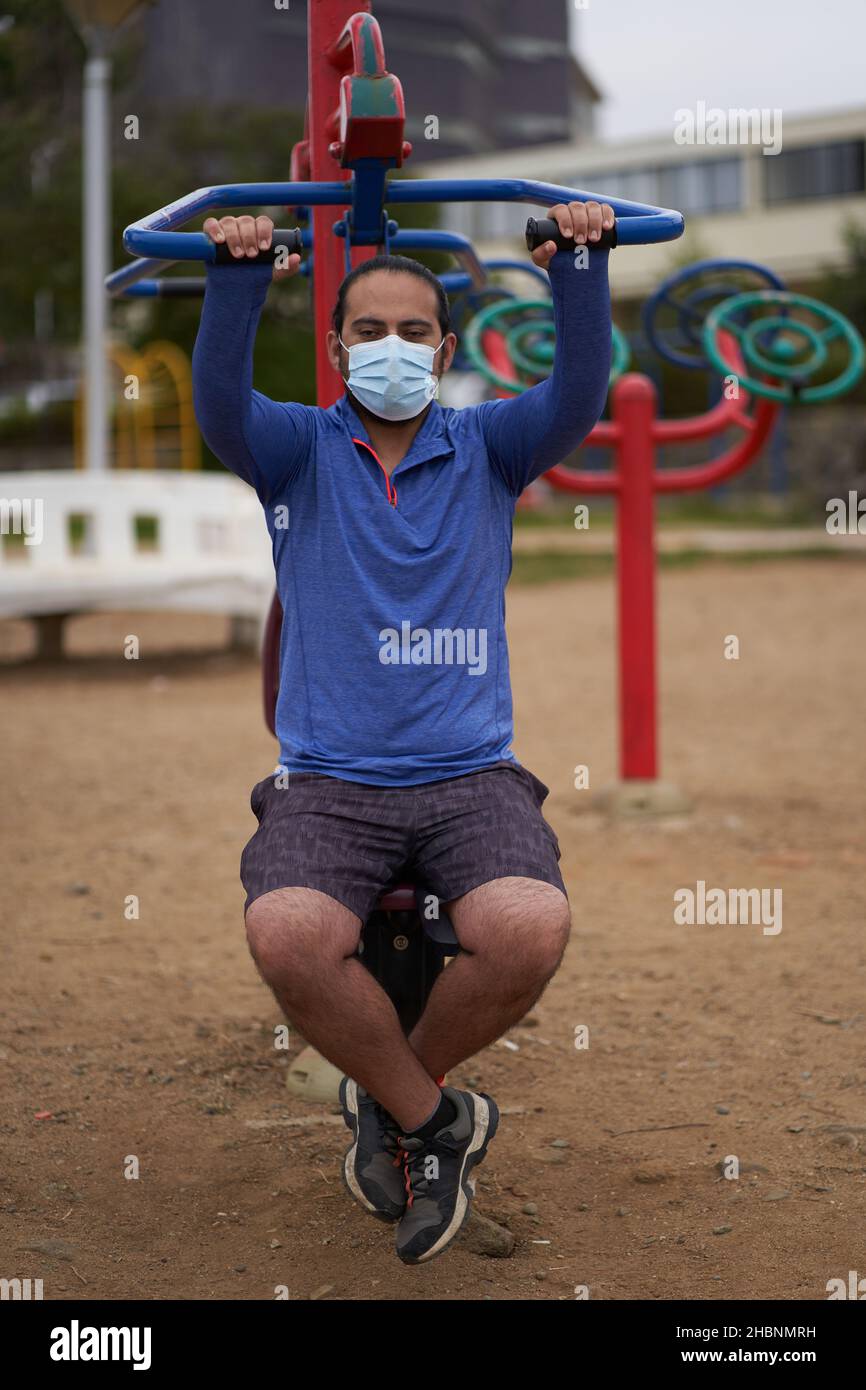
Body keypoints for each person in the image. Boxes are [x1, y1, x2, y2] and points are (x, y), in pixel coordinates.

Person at [192, 201, 613, 1264]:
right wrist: (238, 280)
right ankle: (438, 1124)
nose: (392, 347)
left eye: (413, 331)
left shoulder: (489, 447)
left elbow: (576, 395)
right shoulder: (295, 450)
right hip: (328, 778)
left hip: (470, 773)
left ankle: (391, 1106)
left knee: (529, 928)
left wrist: (576, 266)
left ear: (445, 349)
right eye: (368, 331)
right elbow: (218, 406)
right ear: (336, 350)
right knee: (288, 935)